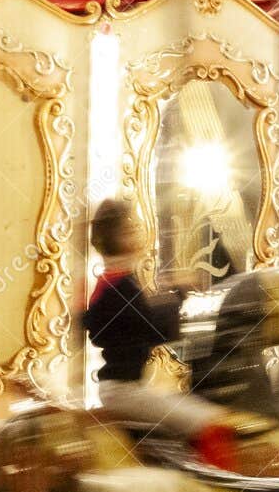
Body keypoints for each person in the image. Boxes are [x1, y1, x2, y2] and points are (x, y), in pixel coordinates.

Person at [84, 197, 238, 470]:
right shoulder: (120, 286)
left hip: (124, 388)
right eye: (129, 228)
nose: (136, 233)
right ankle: (219, 485)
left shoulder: (113, 283)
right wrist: (179, 292)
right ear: (116, 236)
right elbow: (154, 328)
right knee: (207, 421)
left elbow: (127, 324)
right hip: (125, 391)